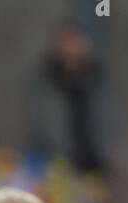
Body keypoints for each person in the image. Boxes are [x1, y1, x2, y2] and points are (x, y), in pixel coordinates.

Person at [28, 19, 114, 175]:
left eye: (76, 43)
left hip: (96, 163)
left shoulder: (97, 78)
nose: (71, 51)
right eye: (66, 44)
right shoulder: (47, 82)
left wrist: (107, 150)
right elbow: (42, 124)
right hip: (59, 164)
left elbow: (109, 118)